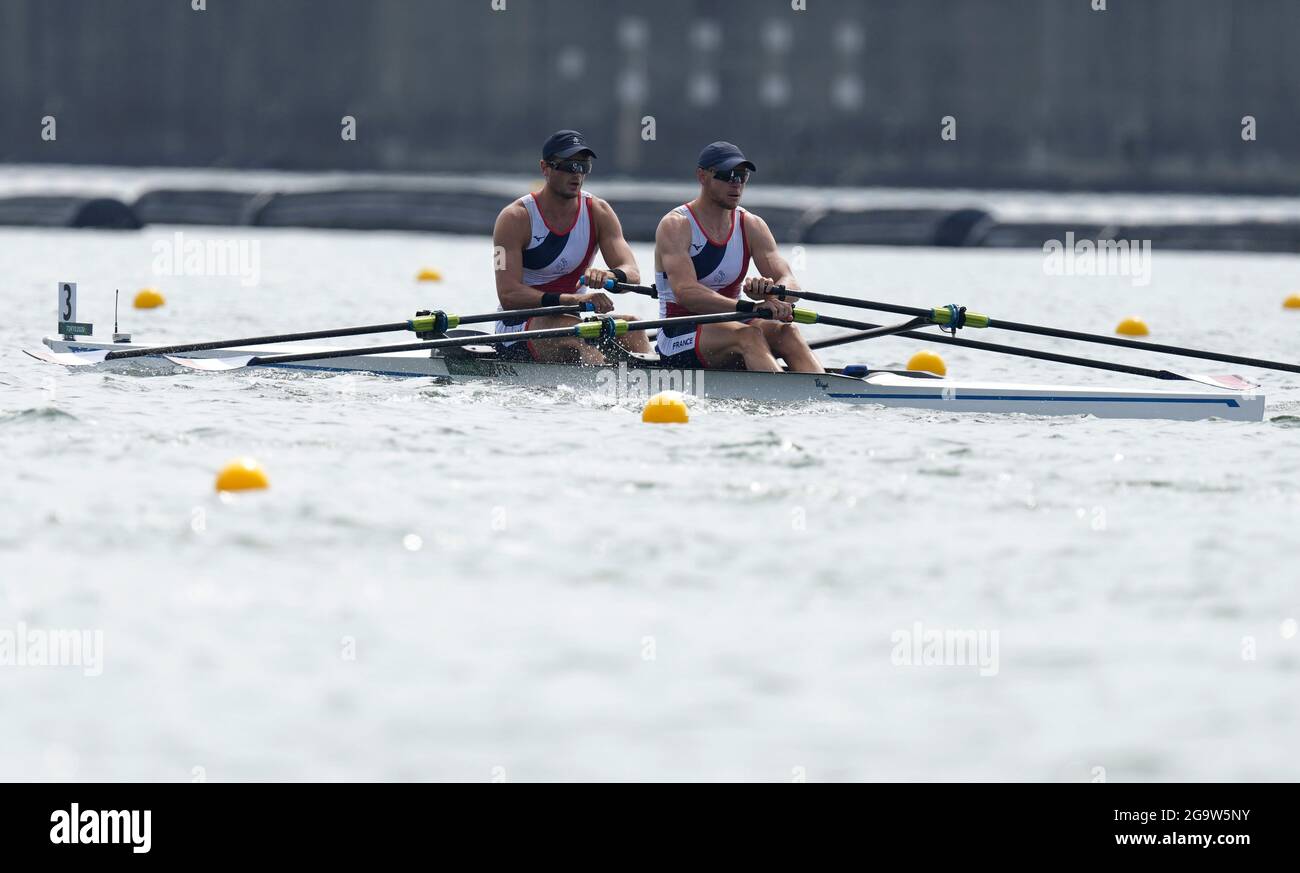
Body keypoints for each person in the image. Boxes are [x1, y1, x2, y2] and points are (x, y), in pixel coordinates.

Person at [652, 141, 824, 373]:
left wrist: (777, 296)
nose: (736, 183)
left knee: (788, 332)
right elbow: (686, 293)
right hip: (679, 333)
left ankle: (823, 397)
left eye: (742, 176)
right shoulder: (676, 225)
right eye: (727, 175)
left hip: (736, 324)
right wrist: (750, 306)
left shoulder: (751, 225)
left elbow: (788, 279)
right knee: (749, 335)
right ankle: (782, 400)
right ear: (702, 176)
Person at [493, 129, 649, 363]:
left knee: (634, 327)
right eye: (568, 166)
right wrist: (572, 300)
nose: (577, 174)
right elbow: (508, 295)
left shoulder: (599, 212)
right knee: (586, 334)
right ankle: (604, 394)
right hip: (517, 324)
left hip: (574, 320)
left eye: (583, 166)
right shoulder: (514, 219)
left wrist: (610, 274)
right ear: (545, 168)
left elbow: (632, 275)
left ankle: (654, 389)